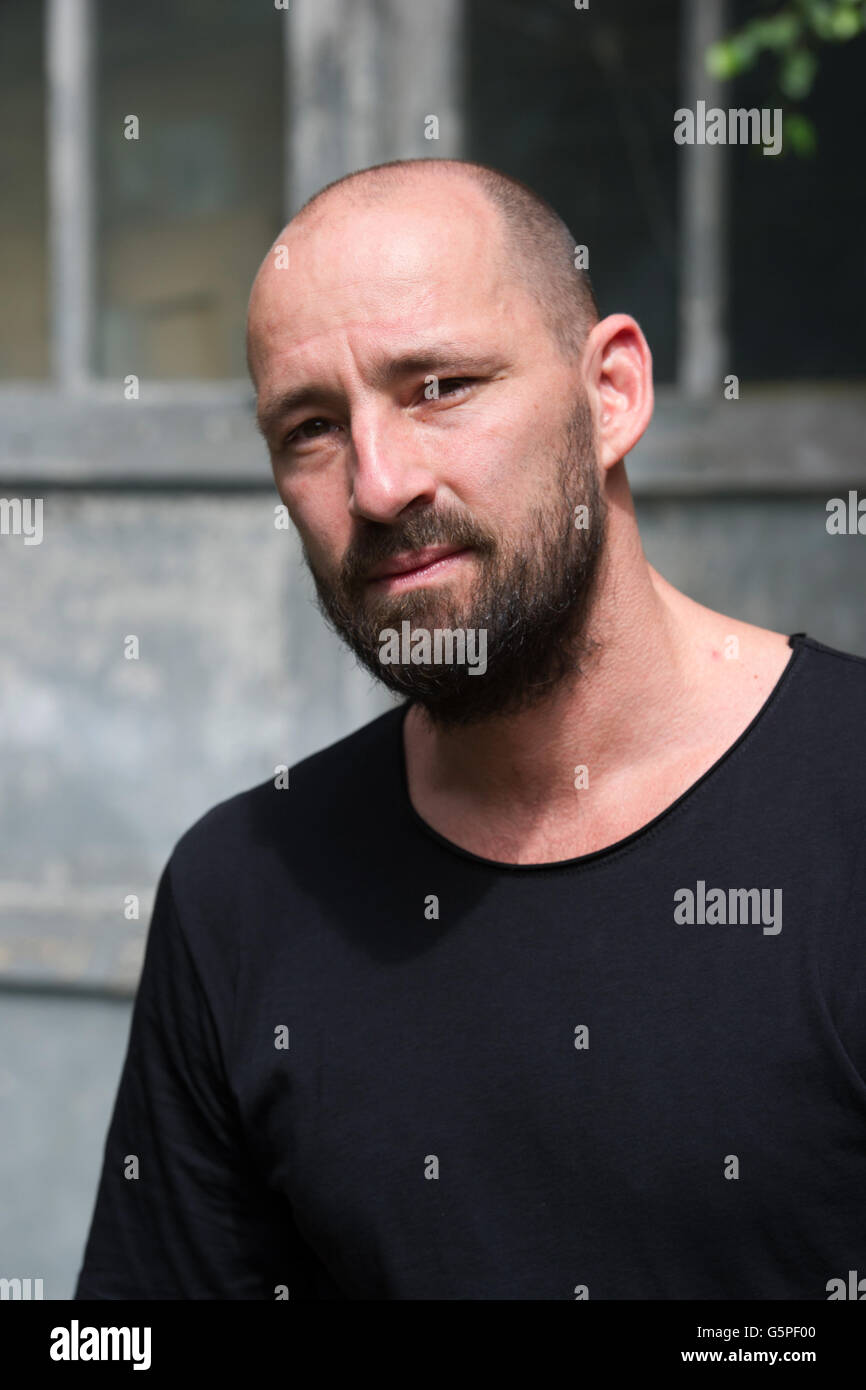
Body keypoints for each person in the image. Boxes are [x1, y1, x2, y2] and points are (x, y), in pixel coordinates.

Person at [75, 158, 866, 1300]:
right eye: (309, 427)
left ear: (611, 396)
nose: (381, 481)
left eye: (438, 384)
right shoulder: (240, 895)